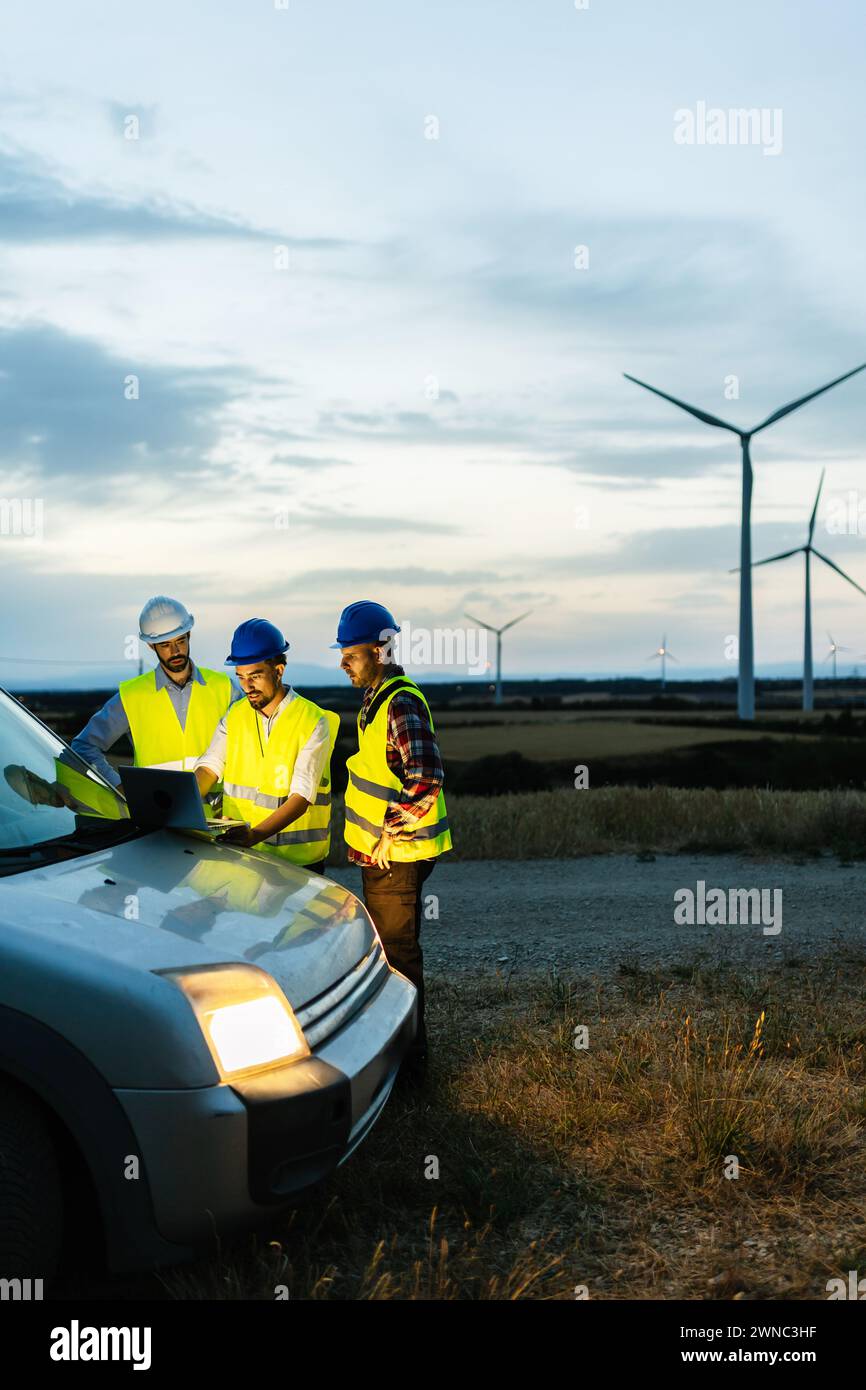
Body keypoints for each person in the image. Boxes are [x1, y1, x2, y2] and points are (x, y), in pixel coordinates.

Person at [333, 600, 452, 1082]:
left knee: (398, 959)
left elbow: (426, 776)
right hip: (387, 856)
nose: (343, 661)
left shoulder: (398, 701)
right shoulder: (378, 698)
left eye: (352, 652)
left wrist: (390, 831)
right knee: (393, 954)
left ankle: (410, 1070)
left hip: (396, 857)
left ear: (380, 650)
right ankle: (405, 1060)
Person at [195, 619, 339, 871]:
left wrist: (254, 835)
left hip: (298, 863)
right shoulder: (235, 715)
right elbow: (209, 767)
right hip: (243, 857)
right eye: (240, 677)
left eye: (255, 676)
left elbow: (302, 796)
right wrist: (181, 808)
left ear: (279, 670)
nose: (247, 686)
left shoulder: (312, 720)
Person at [70, 596, 237, 788]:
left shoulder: (224, 687)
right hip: (157, 815)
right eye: (165, 645)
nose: (175, 651)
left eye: (180, 641)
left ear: (189, 635)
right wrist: (118, 787)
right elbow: (83, 747)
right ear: (151, 645)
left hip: (216, 815)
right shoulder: (132, 696)